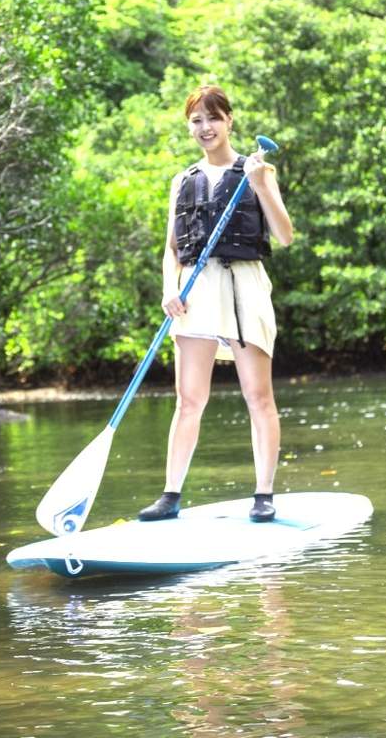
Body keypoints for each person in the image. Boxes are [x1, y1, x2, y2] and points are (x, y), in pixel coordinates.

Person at [138, 85, 294, 524]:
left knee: (258, 395)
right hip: (194, 291)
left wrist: (261, 186)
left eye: (213, 118)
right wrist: (169, 289)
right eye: (197, 120)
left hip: (243, 287)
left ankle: (263, 493)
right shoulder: (182, 180)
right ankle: (170, 494)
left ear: (229, 121)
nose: (205, 127)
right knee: (188, 399)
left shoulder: (257, 170)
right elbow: (172, 248)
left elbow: (285, 235)